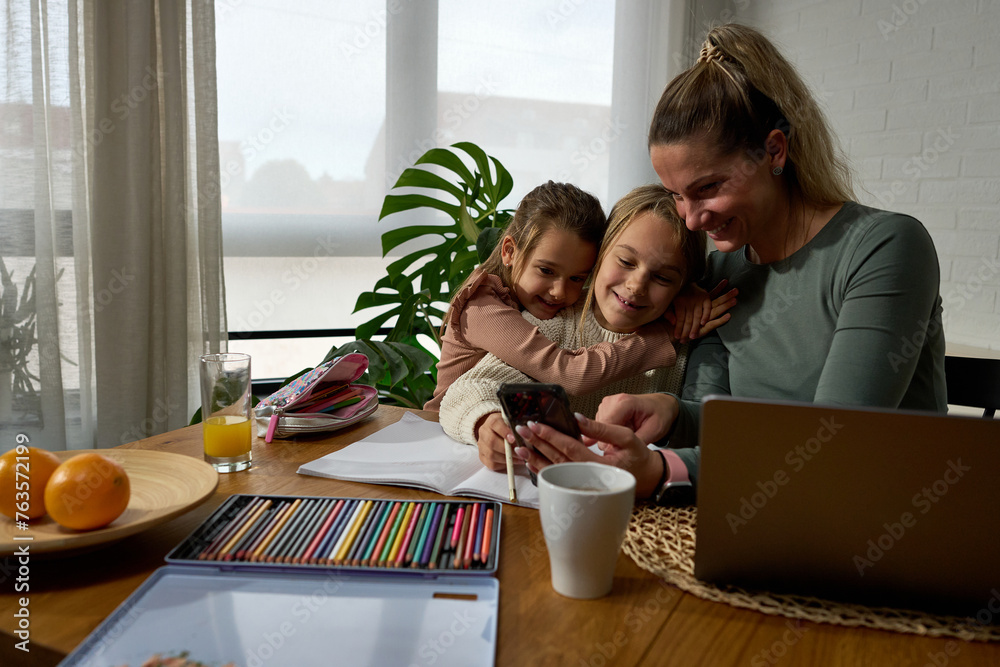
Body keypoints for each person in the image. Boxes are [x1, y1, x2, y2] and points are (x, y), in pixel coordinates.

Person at [511, 23, 947, 503]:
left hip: (878, 519)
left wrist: (661, 468)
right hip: (759, 511)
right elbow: (721, 421)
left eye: (708, 189)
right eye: (677, 195)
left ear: (774, 151)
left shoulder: (885, 247)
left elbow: (835, 441)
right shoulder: (722, 270)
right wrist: (675, 414)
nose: (692, 221)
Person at [439, 184, 723, 471]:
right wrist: (486, 420)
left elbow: (713, 431)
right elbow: (565, 374)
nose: (559, 293)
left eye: (663, 277)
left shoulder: (694, 333)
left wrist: (691, 291)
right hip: (441, 439)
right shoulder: (505, 311)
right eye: (625, 261)